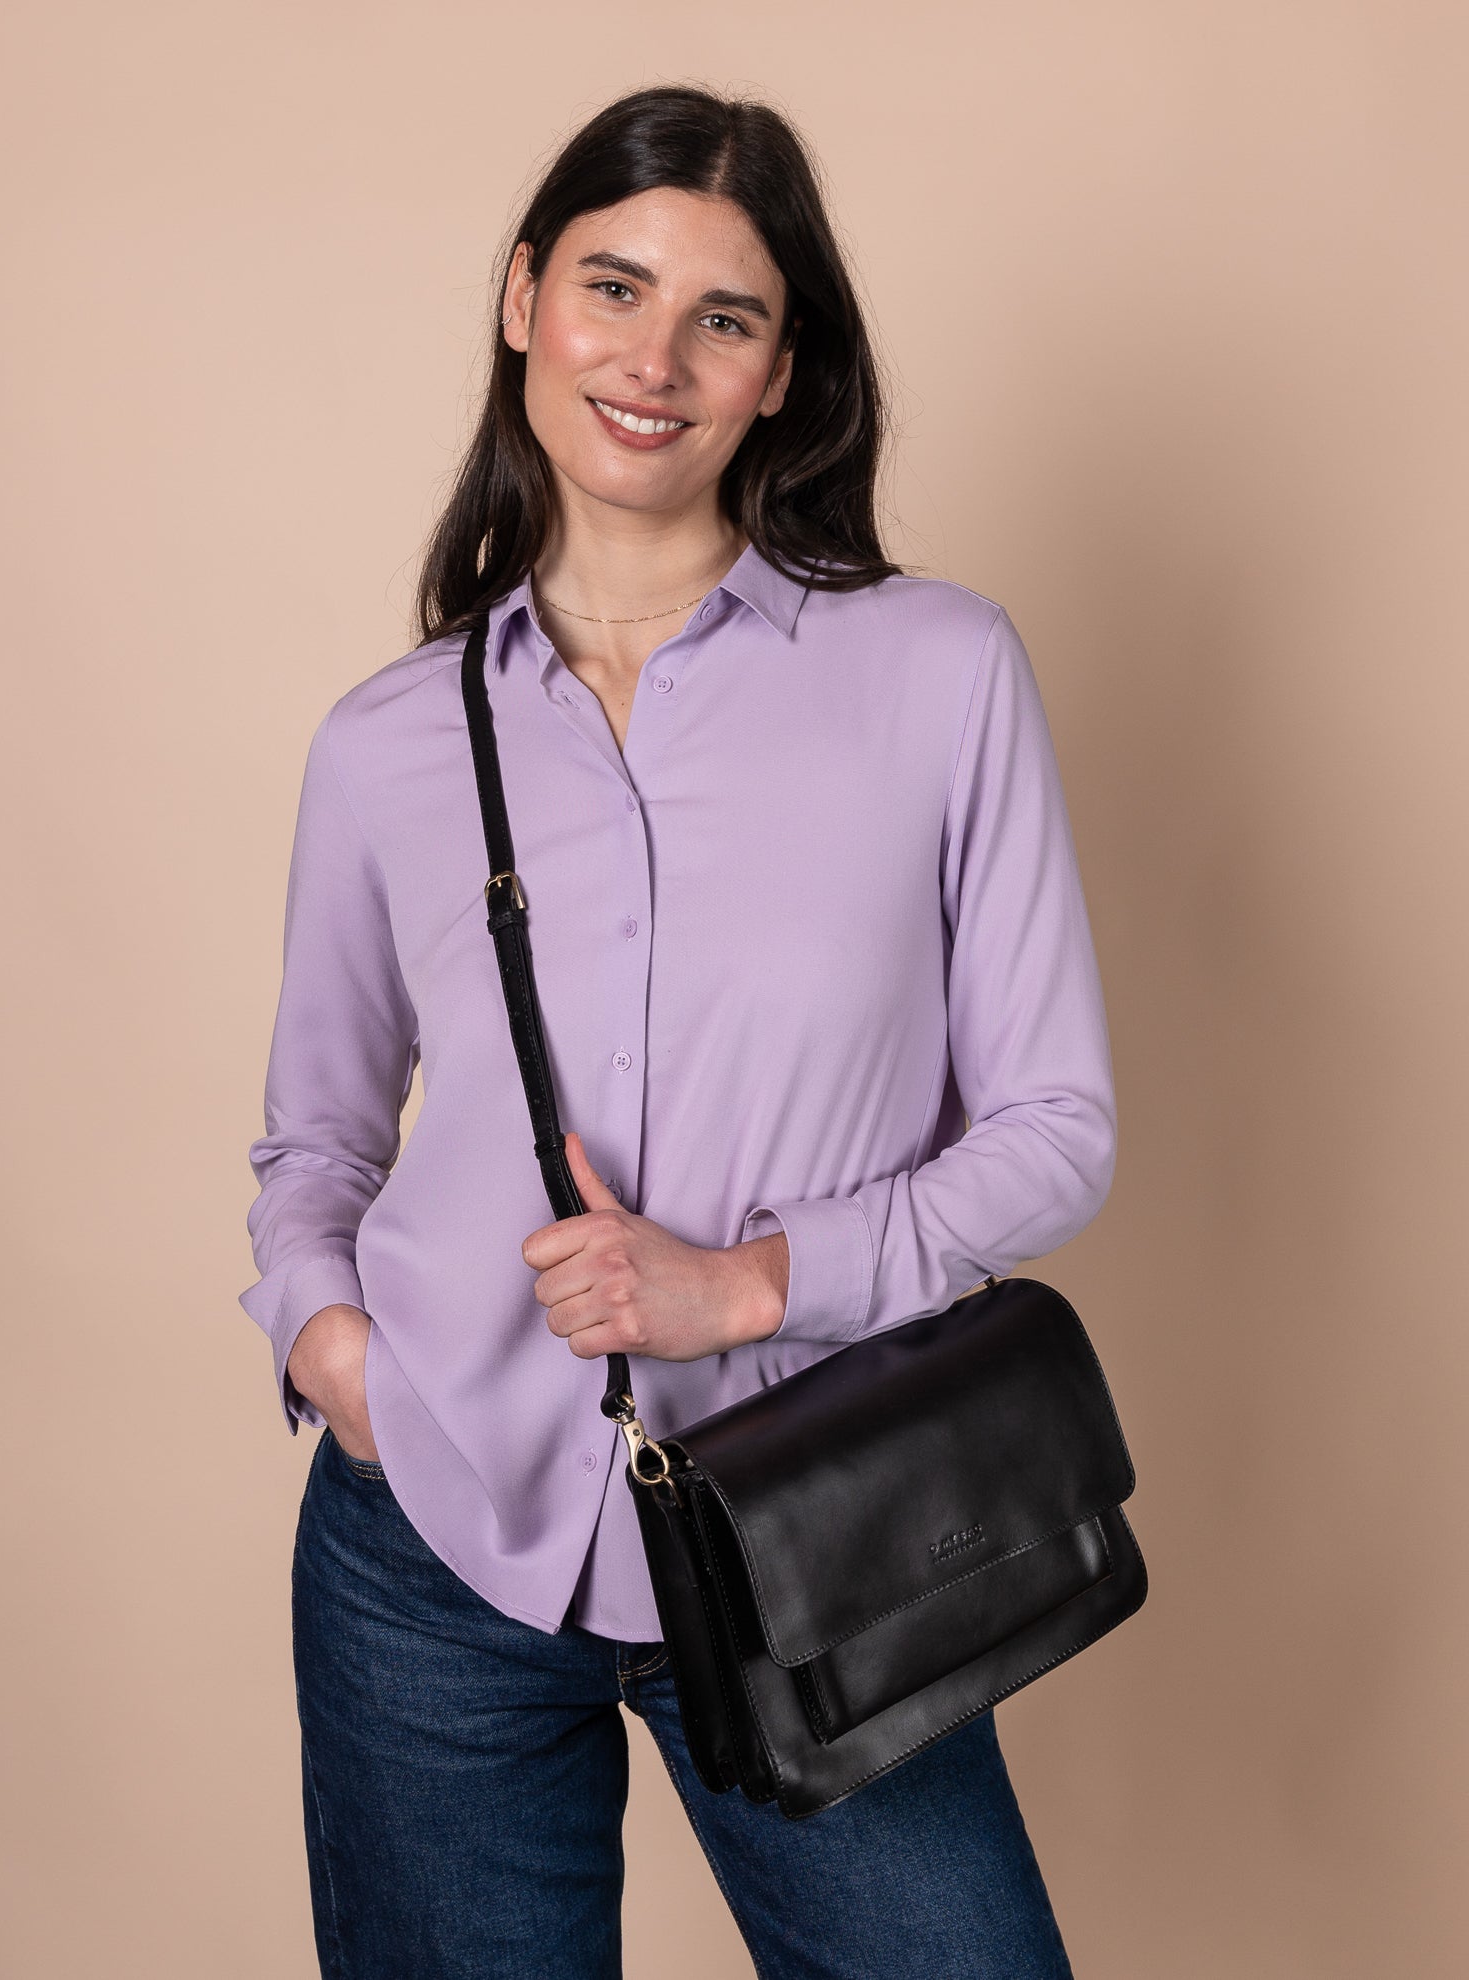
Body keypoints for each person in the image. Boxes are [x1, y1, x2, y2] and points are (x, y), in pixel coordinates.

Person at [238, 81, 1115, 1980]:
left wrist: (745, 1287)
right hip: (429, 1560)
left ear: (782, 375)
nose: (653, 360)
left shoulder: (939, 675)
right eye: (611, 288)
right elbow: (318, 1137)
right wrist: (333, 1348)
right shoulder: (391, 741)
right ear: (521, 301)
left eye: (724, 317)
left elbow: (1055, 1125)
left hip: (814, 1537)